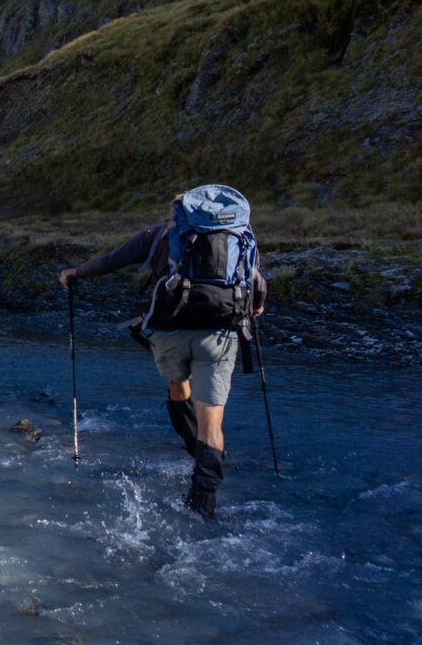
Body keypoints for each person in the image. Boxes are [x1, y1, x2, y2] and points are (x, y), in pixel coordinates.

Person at [58, 187, 266, 517]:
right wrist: (256, 308)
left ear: (178, 210)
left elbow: (112, 261)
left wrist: (75, 273)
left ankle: (195, 452)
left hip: (169, 332)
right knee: (212, 418)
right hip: (219, 335)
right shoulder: (235, 235)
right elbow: (256, 285)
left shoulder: (159, 234)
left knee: (178, 388)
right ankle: (204, 496)